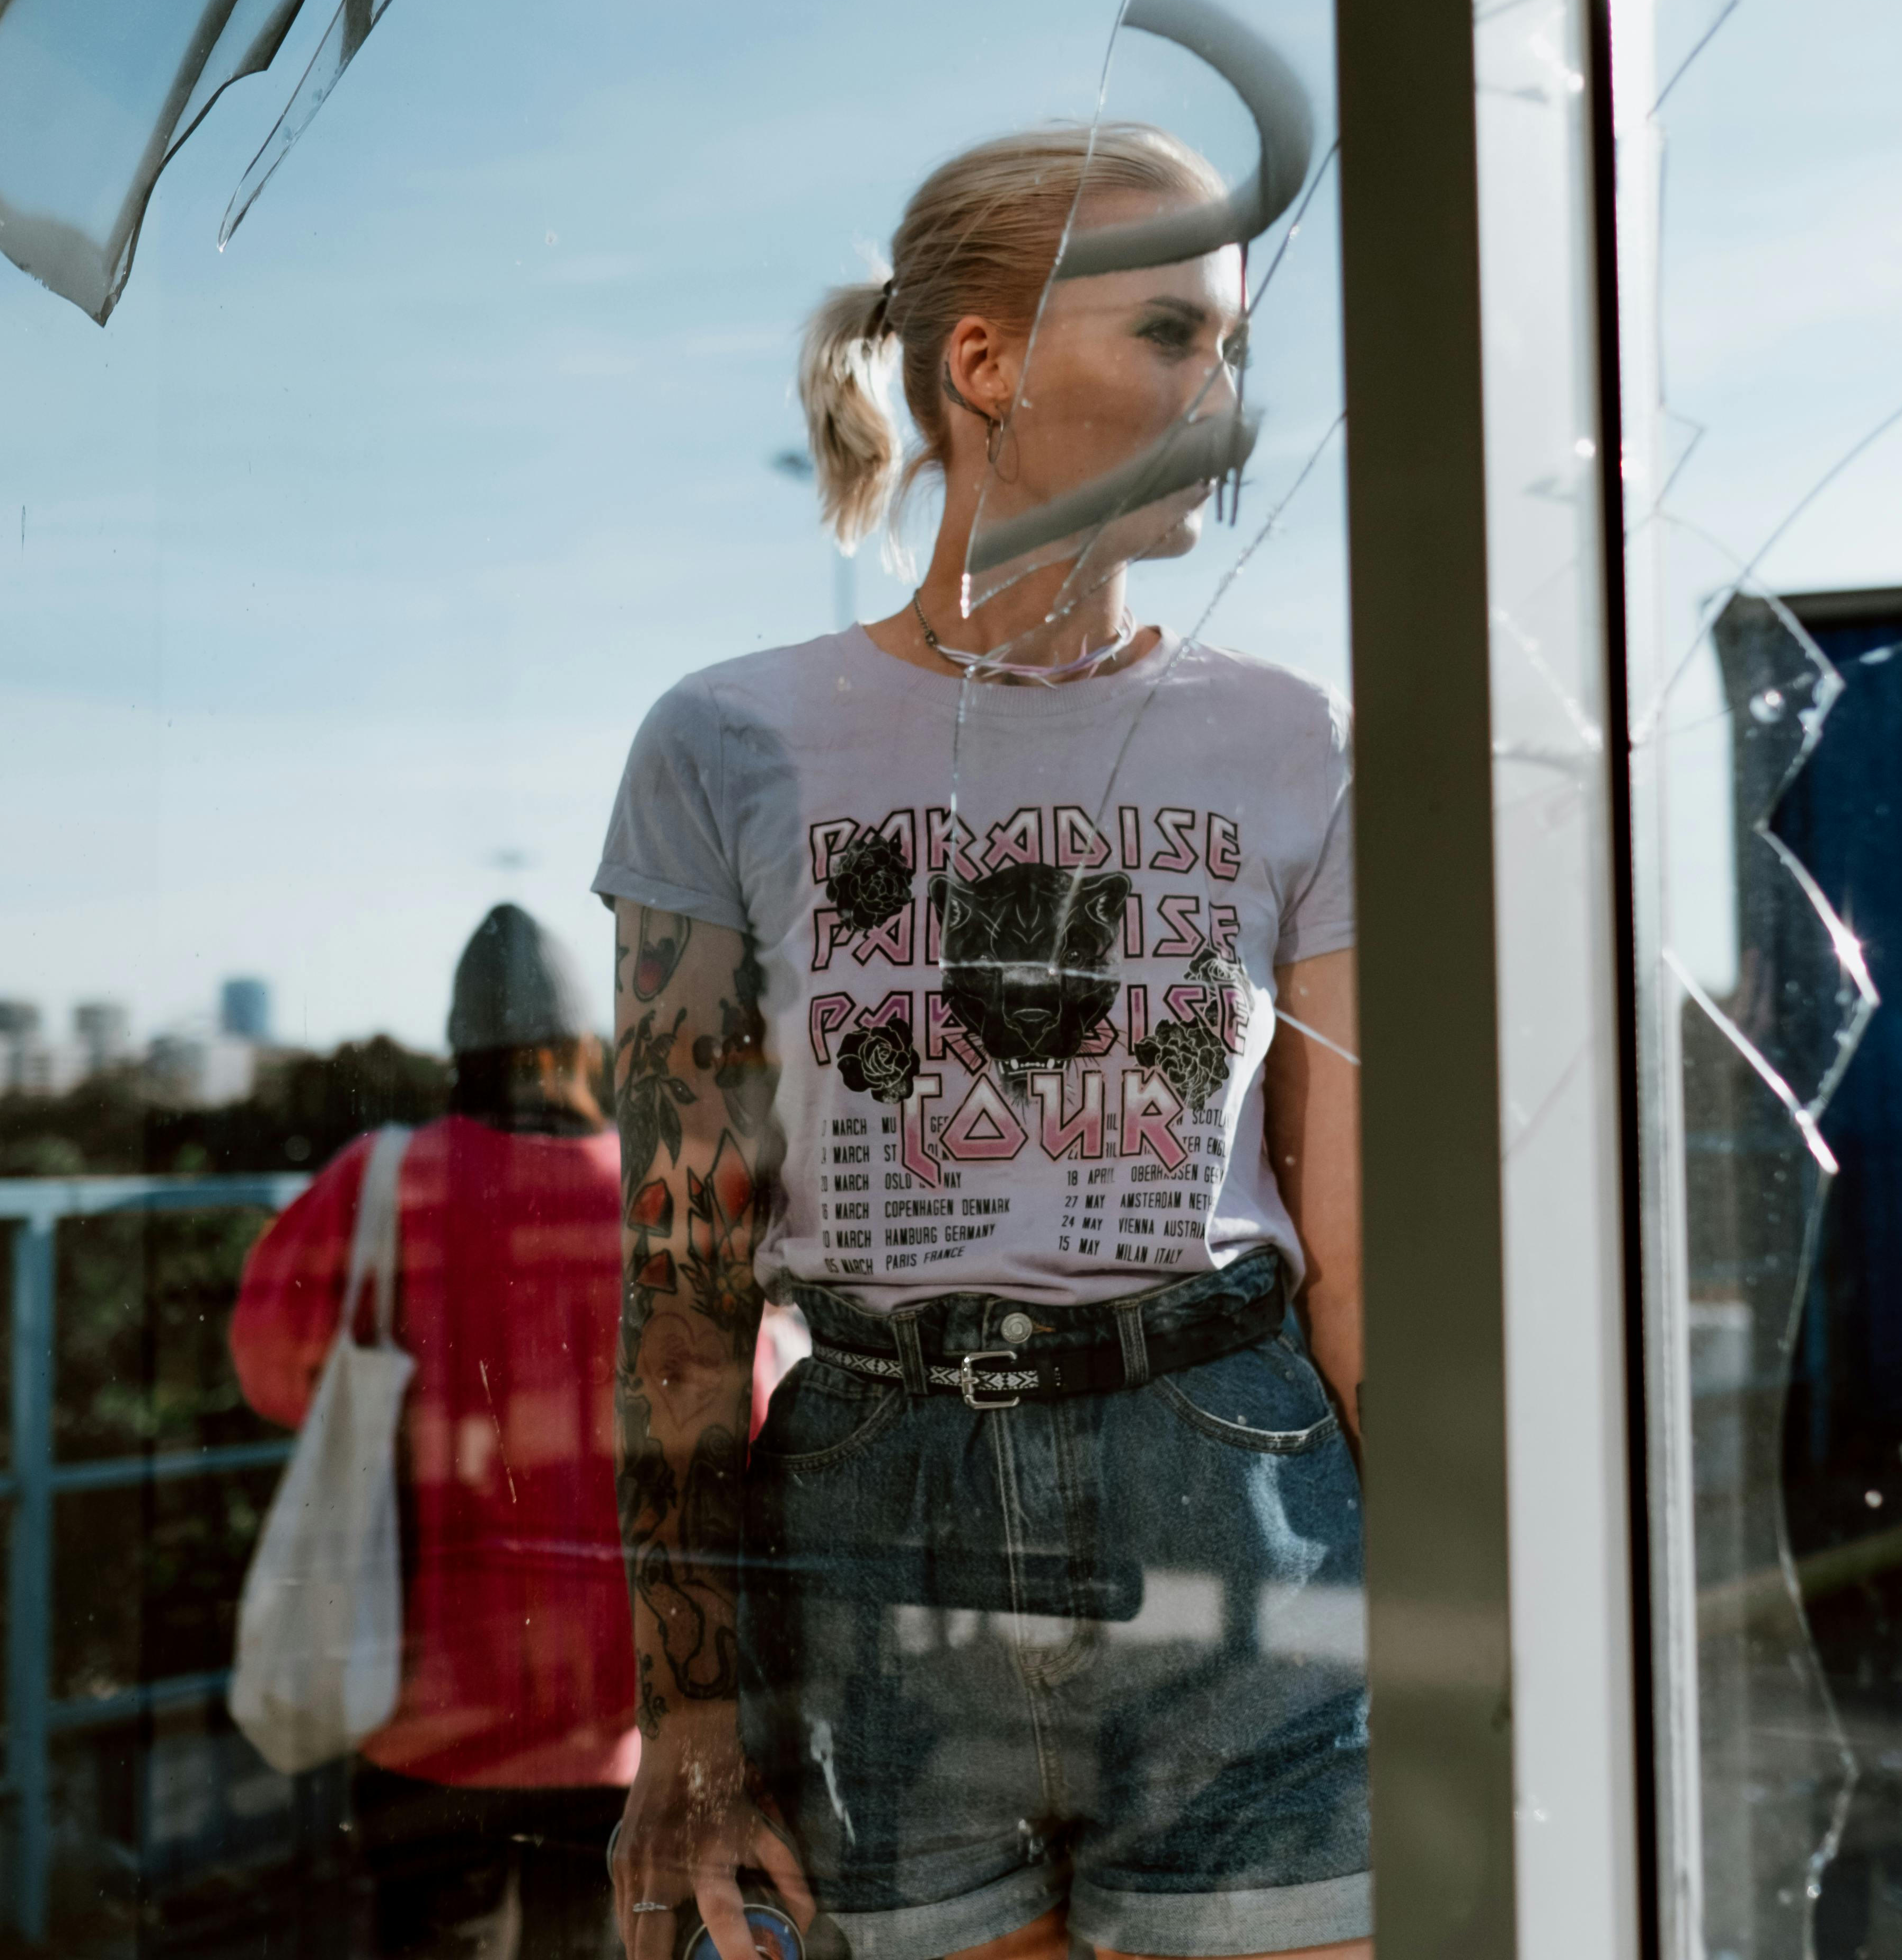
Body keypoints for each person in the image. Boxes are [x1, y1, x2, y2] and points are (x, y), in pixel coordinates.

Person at [594, 125, 1365, 1960]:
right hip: (869, 1535)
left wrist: (1478, 1628)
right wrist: (688, 1716)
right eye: (1175, 336)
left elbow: (1360, 1255)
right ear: (985, 365)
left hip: (1242, 1490)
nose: (1225, 395)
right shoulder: (727, 743)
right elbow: (684, 1284)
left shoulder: (1294, 742)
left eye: (1233, 350)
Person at [232, 904, 640, 1960]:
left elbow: (273, 1370)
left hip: (425, 1698)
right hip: (614, 1703)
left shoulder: (382, 1179)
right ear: (583, 1047)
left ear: (462, 1051)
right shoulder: (651, 1194)